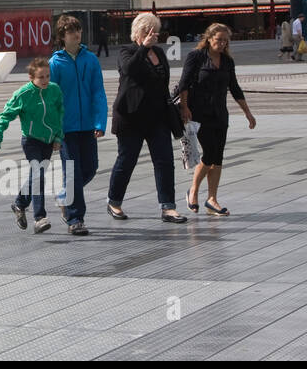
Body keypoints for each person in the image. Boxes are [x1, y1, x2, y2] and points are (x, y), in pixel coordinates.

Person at [106, 12, 185, 223]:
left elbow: (163, 82)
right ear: (138, 32)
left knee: (165, 161)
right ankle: (114, 201)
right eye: (147, 31)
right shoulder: (127, 51)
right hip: (131, 117)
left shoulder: (159, 52)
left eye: (154, 31)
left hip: (158, 116)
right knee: (127, 160)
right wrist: (143, 48)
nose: (152, 35)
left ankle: (168, 207)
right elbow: (130, 69)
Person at [179, 23, 256, 216]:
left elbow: (235, 88)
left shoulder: (227, 61)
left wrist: (247, 112)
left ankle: (212, 199)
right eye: (218, 39)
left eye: (225, 41)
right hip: (199, 113)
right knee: (209, 154)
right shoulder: (196, 57)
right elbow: (184, 83)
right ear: (209, 38)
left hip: (220, 114)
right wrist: (185, 107)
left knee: (218, 156)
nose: (221, 44)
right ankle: (193, 191)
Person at [0, 58, 64, 234]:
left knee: (35, 176)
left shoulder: (54, 90)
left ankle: (19, 204)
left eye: (47, 76)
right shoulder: (23, 94)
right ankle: (40, 218)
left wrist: (58, 137)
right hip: (31, 140)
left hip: (48, 141)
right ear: (31, 77)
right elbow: (4, 117)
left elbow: (60, 113)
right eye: (41, 77)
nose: (46, 80)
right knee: (38, 176)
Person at [50, 16, 107, 236]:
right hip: (66, 128)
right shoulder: (55, 63)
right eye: (72, 31)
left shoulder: (91, 60)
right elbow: (52, 98)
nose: (77, 34)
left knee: (90, 168)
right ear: (62, 36)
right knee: (72, 171)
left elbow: (98, 93)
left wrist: (100, 122)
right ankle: (76, 218)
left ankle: (65, 196)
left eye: (79, 30)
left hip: (88, 126)